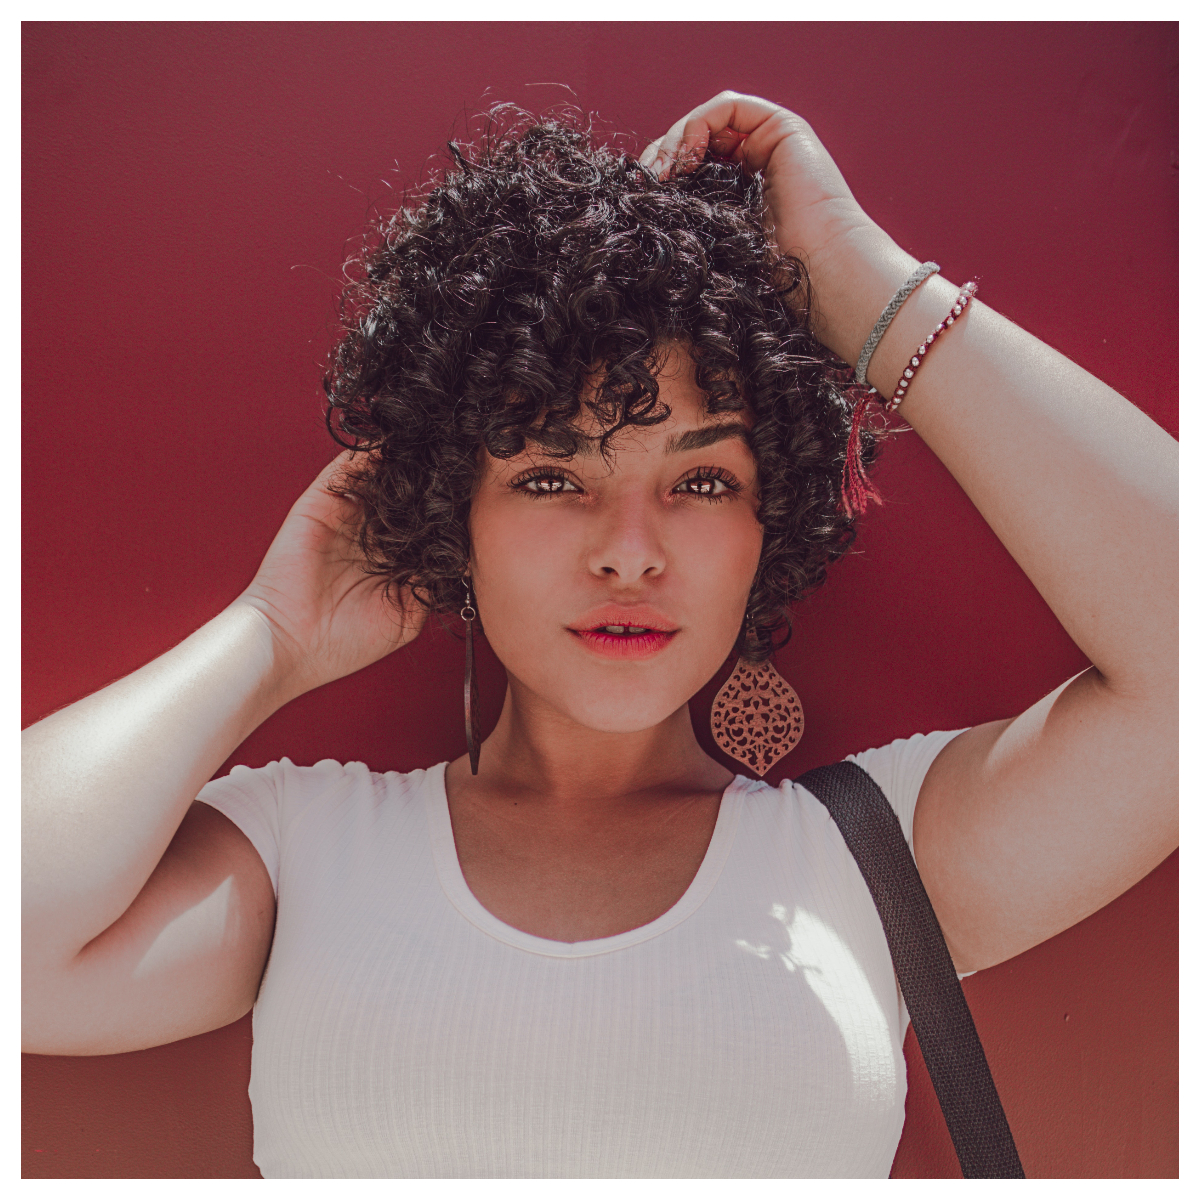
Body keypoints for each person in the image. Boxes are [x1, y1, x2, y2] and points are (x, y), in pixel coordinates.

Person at [22, 93, 1177, 1178]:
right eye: (549, 476)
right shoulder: (301, 852)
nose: (631, 550)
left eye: (705, 482)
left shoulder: (873, 860)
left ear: (772, 528)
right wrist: (268, 634)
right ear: (447, 517)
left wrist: (861, 282)